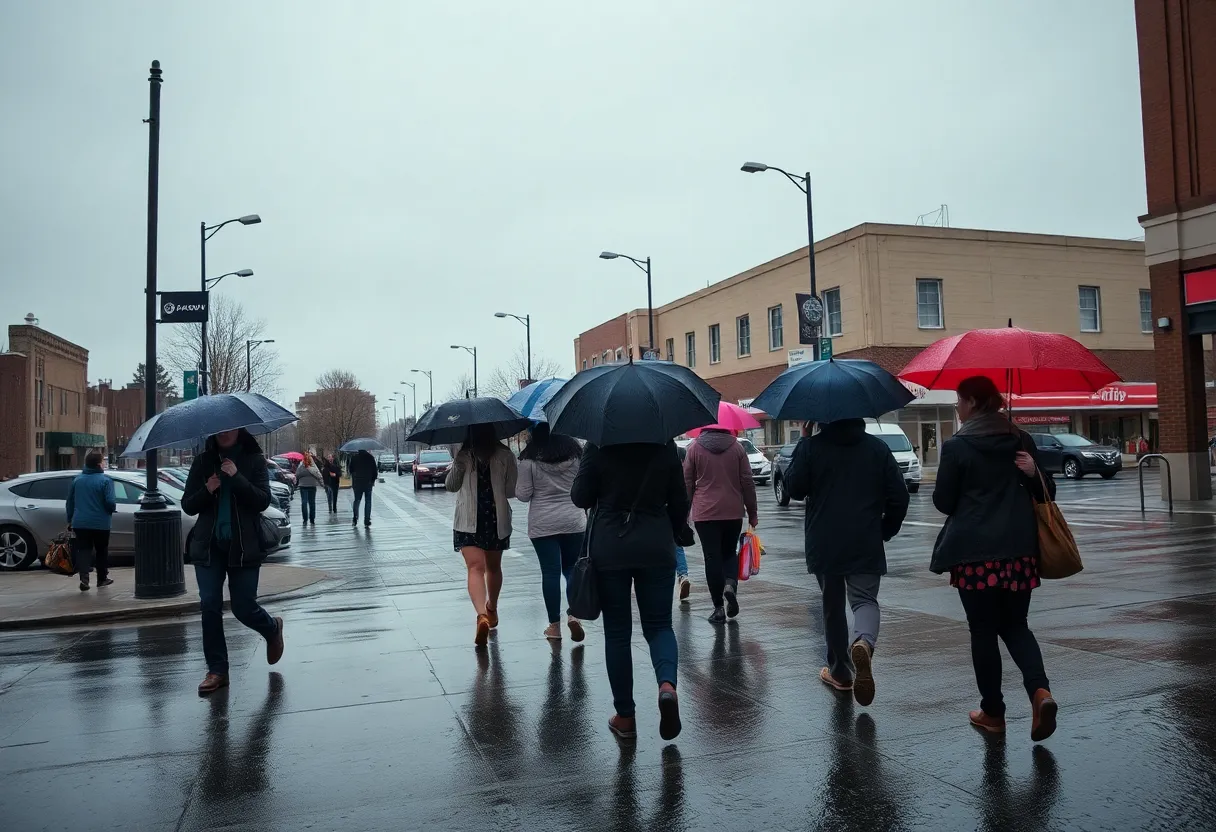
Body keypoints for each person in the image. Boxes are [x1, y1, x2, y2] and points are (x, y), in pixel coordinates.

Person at [932, 375, 1058, 742]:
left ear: (972, 401)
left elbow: (943, 502)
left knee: (983, 631)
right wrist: (1032, 472)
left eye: (958, 401)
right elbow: (1047, 491)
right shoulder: (1021, 439)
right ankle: (1040, 692)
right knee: (1016, 625)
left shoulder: (956, 446)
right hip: (1019, 551)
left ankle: (993, 712)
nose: (957, 408)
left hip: (974, 556)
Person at [784, 419, 909, 706]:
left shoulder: (813, 448)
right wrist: (885, 529)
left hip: (824, 541)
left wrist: (804, 439)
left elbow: (794, 487)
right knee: (864, 600)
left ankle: (840, 672)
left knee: (832, 606)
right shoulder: (877, 449)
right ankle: (863, 641)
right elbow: (899, 496)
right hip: (865, 538)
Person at [572, 440, 690, 742]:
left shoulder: (598, 445)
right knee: (660, 626)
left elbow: (579, 496)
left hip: (611, 546)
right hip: (656, 545)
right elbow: (679, 500)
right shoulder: (665, 445)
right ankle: (667, 687)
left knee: (617, 633)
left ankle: (625, 717)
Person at [181, 428, 285, 696]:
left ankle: (272, 628)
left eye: (229, 429)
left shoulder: (254, 460)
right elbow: (188, 505)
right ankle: (217, 670)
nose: (224, 434)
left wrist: (236, 477)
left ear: (239, 431)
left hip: (244, 546)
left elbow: (262, 500)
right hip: (208, 546)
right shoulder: (203, 462)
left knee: (243, 607)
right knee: (210, 606)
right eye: (219, 430)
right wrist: (208, 488)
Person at [447, 425, 519, 646]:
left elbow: (451, 486)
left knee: (474, 568)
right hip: (495, 519)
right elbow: (510, 491)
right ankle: (492, 608)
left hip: (467, 520)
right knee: (493, 568)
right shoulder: (506, 455)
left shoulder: (463, 456)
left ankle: (481, 615)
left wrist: (459, 464)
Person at [516, 423, 587, 642]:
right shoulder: (576, 455)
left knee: (550, 572)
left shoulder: (528, 460)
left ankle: (554, 627)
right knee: (571, 568)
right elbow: (582, 487)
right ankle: (574, 614)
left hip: (543, 524)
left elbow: (523, 495)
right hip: (573, 520)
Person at [682, 429, 758, 623]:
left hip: (705, 513)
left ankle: (718, 608)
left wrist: (684, 513)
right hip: (732, 510)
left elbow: (687, 483)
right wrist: (753, 512)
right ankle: (730, 585)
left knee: (712, 557)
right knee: (729, 553)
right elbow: (747, 482)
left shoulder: (694, 448)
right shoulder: (738, 448)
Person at [65, 451, 116, 592]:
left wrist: (70, 519)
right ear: (99, 464)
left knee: (84, 550)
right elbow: (110, 502)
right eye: (103, 461)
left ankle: (84, 579)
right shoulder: (106, 481)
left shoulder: (77, 480)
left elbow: (70, 502)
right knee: (101, 550)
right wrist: (111, 509)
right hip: (101, 522)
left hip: (80, 522)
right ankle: (102, 578)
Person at [673, 443, 693, 602]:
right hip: (677, 510)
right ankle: (683, 575)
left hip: (656, 512)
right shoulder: (681, 454)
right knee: (677, 546)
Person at [349, 449, 378, 527]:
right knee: (368, 501)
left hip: (357, 483)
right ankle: (367, 520)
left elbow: (350, 470)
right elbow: (375, 471)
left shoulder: (354, 458)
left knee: (357, 500)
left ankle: (355, 518)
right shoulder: (370, 458)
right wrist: (372, 480)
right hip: (368, 482)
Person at [294, 452, 323, 525]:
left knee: (310, 503)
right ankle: (306, 519)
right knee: (306, 503)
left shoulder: (313, 465)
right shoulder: (301, 465)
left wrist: (308, 469)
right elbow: (297, 475)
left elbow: (318, 475)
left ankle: (311, 519)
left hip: (311, 486)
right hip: (304, 486)